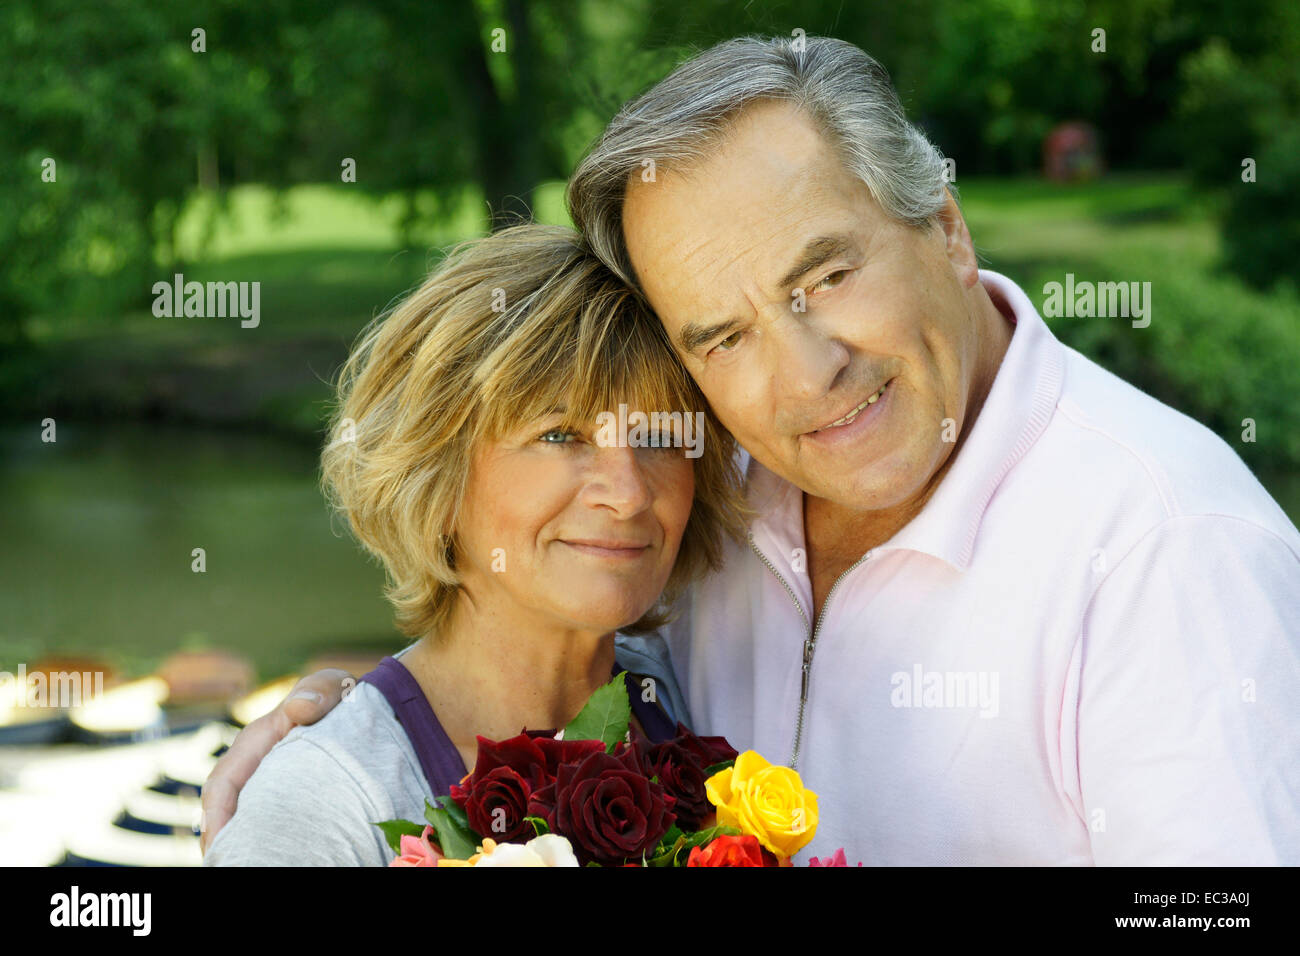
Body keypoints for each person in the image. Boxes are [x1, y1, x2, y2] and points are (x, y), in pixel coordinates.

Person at [204, 36, 1300, 865]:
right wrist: (349, 747)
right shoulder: (717, 489)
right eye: (721, 336)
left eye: (823, 276)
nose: (803, 372)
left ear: (947, 229)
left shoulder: (1171, 549)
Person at [202, 223, 748, 865]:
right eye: (559, 434)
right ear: (437, 471)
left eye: (658, 434)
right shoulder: (327, 803)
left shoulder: (692, 687)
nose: (627, 493)